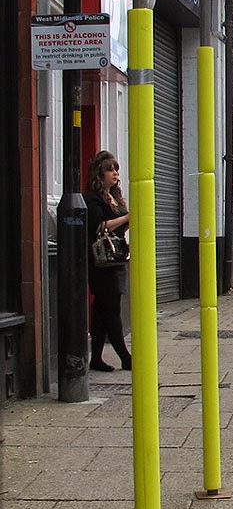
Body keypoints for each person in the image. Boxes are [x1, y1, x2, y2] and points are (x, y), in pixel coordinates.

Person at [84, 150, 131, 372]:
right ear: (99, 174)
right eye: (110, 169)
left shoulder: (115, 197)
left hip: (117, 258)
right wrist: (125, 218)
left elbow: (120, 226)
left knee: (102, 311)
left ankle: (96, 359)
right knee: (111, 310)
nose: (115, 173)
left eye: (116, 170)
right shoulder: (92, 198)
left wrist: (127, 221)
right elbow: (98, 227)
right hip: (101, 262)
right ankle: (125, 356)